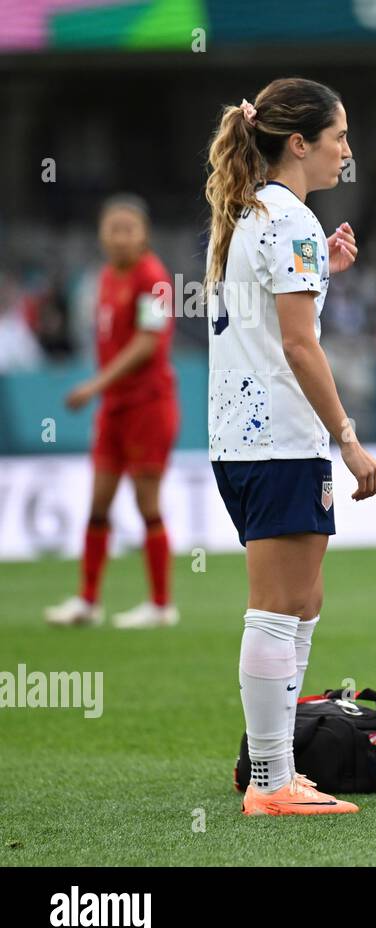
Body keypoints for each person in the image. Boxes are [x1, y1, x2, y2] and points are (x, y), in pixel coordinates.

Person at [205, 78, 376, 816]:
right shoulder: (293, 220)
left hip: (241, 438)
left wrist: (325, 275)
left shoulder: (249, 213)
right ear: (300, 143)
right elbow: (300, 348)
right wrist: (349, 439)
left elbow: (268, 313)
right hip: (278, 438)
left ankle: (277, 771)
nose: (348, 149)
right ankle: (272, 781)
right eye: (338, 135)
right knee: (279, 608)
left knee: (301, 602)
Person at [45, 195, 180, 630]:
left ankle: (161, 605)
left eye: (128, 228)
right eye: (113, 228)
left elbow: (147, 343)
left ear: (144, 234)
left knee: (147, 504)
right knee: (99, 502)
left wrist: (94, 385)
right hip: (115, 409)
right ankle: (88, 600)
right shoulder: (105, 276)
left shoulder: (154, 278)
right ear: (102, 233)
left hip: (147, 405)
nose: (120, 236)